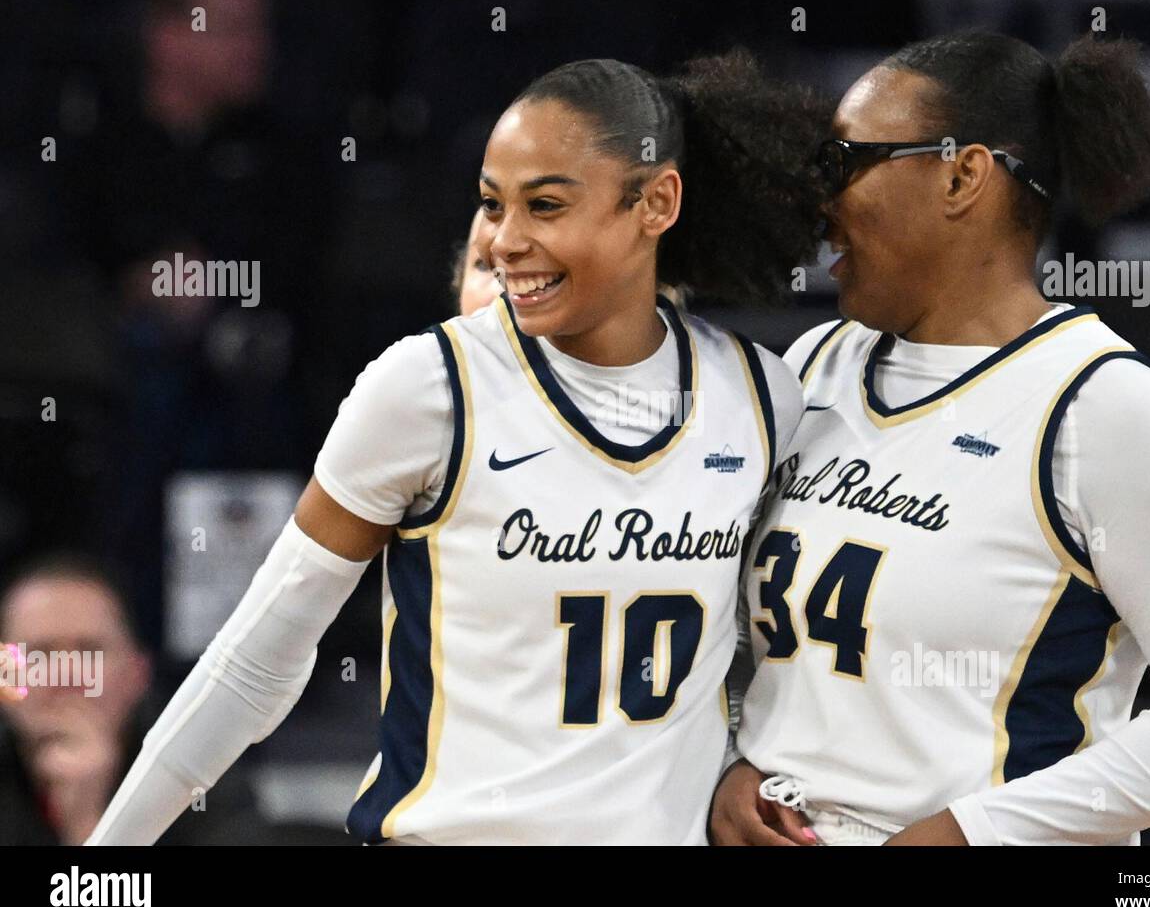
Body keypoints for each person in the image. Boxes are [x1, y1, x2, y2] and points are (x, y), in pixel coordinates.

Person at [86, 49, 831, 845]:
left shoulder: (760, 397)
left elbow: (780, 658)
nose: (505, 240)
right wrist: (104, 856)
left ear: (656, 201)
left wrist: (749, 766)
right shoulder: (427, 387)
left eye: (545, 206)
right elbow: (254, 661)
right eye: (491, 204)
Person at [710, 32, 1150, 846]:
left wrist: (970, 833)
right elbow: (751, 640)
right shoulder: (815, 365)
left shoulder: (1110, 410)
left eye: (843, 163)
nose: (817, 200)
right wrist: (735, 759)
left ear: (961, 174)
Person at [0, 555, 270, 844]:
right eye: (41, 652)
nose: (67, 672)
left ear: (137, 674)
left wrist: (85, 821)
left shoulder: (201, 772)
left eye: (90, 650)